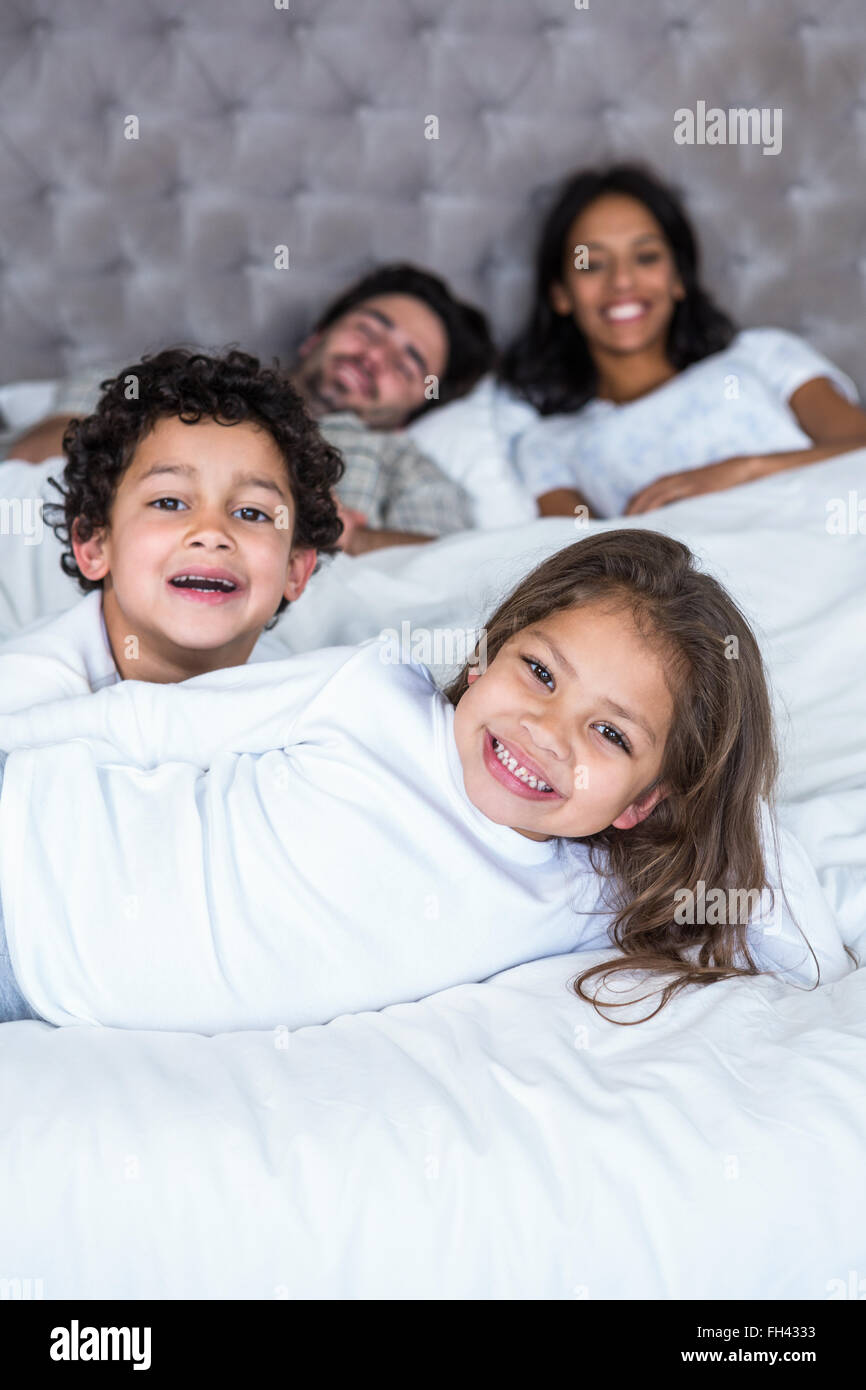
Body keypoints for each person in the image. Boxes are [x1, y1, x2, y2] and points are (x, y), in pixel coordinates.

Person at [0, 530, 850, 1033]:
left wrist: (724, 802)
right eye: (540, 674)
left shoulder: (586, 894)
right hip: (33, 837)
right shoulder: (370, 694)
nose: (544, 734)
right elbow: (148, 722)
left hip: (48, 979)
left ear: (639, 803)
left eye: (609, 731)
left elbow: (797, 947)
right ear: (483, 656)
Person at [3, 264, 495, 552]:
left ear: (416, 406)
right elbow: (29, 464)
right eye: (369, 329)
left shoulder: (404, 465)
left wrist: (331, 531)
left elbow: (447, 566)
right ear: (317, 337)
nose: (374, 357)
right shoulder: (160, 380)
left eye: (407, 364)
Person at [500, 164, 866, 518]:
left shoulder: (761, 355)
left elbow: (858, 449)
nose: (622, 282)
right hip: (701, 577)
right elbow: (579, 558)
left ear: (678, 279)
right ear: (560, 293)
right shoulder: (548, 445)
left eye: (646, 257)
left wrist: (744, 471)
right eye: (592, 265)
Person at [0, 347, 343, 713]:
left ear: (295, 570)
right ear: (95, 546)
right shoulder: (23, 696)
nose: (211, 533)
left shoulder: (301, 700)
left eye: (250, 512)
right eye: (169, 503)